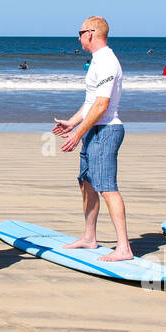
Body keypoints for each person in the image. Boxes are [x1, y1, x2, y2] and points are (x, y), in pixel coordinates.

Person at [53, 16, 131, 261]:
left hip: (106, 131)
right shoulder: (97, 61)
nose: (78, 37)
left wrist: (78, 133)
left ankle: (124, 248)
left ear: (91, 33)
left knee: (107, 187)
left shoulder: (107, 61)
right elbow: (90, 103)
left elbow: (102, 105)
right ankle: (89, 237)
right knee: (85, 182)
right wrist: (72, 122)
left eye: (80, 32)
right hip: (93, 130)